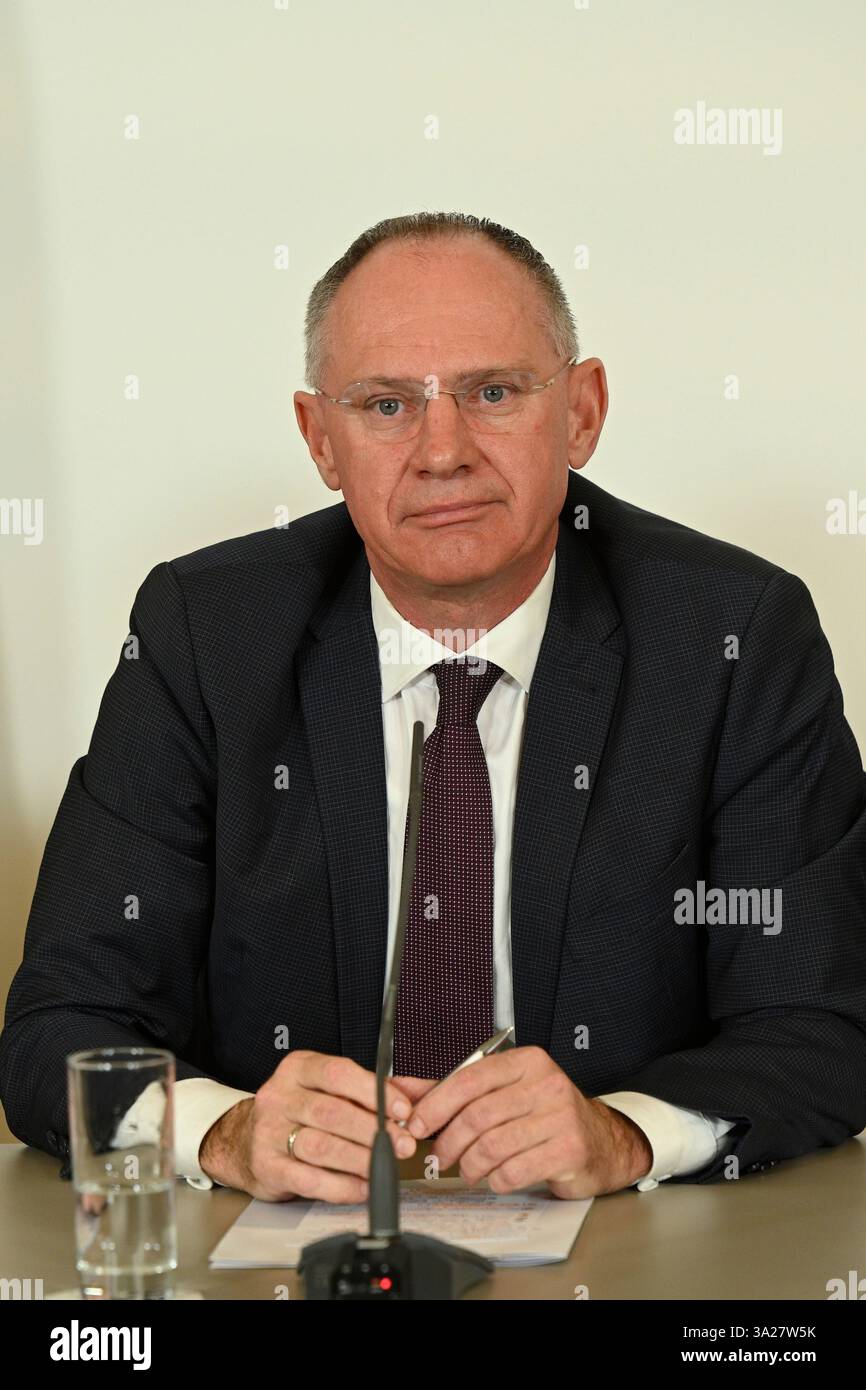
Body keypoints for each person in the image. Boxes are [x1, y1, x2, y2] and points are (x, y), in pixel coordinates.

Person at [2, 212, 865, 1206]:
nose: (441, 449)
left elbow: (821, 1026)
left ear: (581, 410)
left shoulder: (729, 638)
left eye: (490, 392)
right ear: (318, 439)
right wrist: (222, 1133)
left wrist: (624, 1132)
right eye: (383, 405)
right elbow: (56, 1033)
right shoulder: (206, 637)